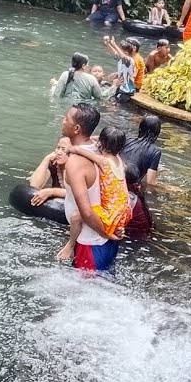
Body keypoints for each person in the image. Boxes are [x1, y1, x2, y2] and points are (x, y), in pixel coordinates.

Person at [55, 103, 122, 271]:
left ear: (76, 128)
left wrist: (106, 234)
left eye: (66, 119)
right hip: (105, 239)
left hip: (92, 243)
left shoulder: (75, 163)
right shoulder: (101, 150)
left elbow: (85, 212)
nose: (62, 121)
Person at [67, 126, 133, 241]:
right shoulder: (119, 161)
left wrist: (71, 148)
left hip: (110, 213)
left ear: (101, 142)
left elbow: (79, 150)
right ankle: (115, 228)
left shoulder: (103, 161)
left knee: (76, 217)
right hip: (124, 211)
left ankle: (71, 245)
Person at [103, 36, 146, 101]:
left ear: (134, 48)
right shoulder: (125, 58)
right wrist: (108, 44)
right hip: (124, 85)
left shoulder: (133, 59)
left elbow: (133, 75)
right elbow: (115, 54)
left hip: (129, 88)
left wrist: (114, 44)